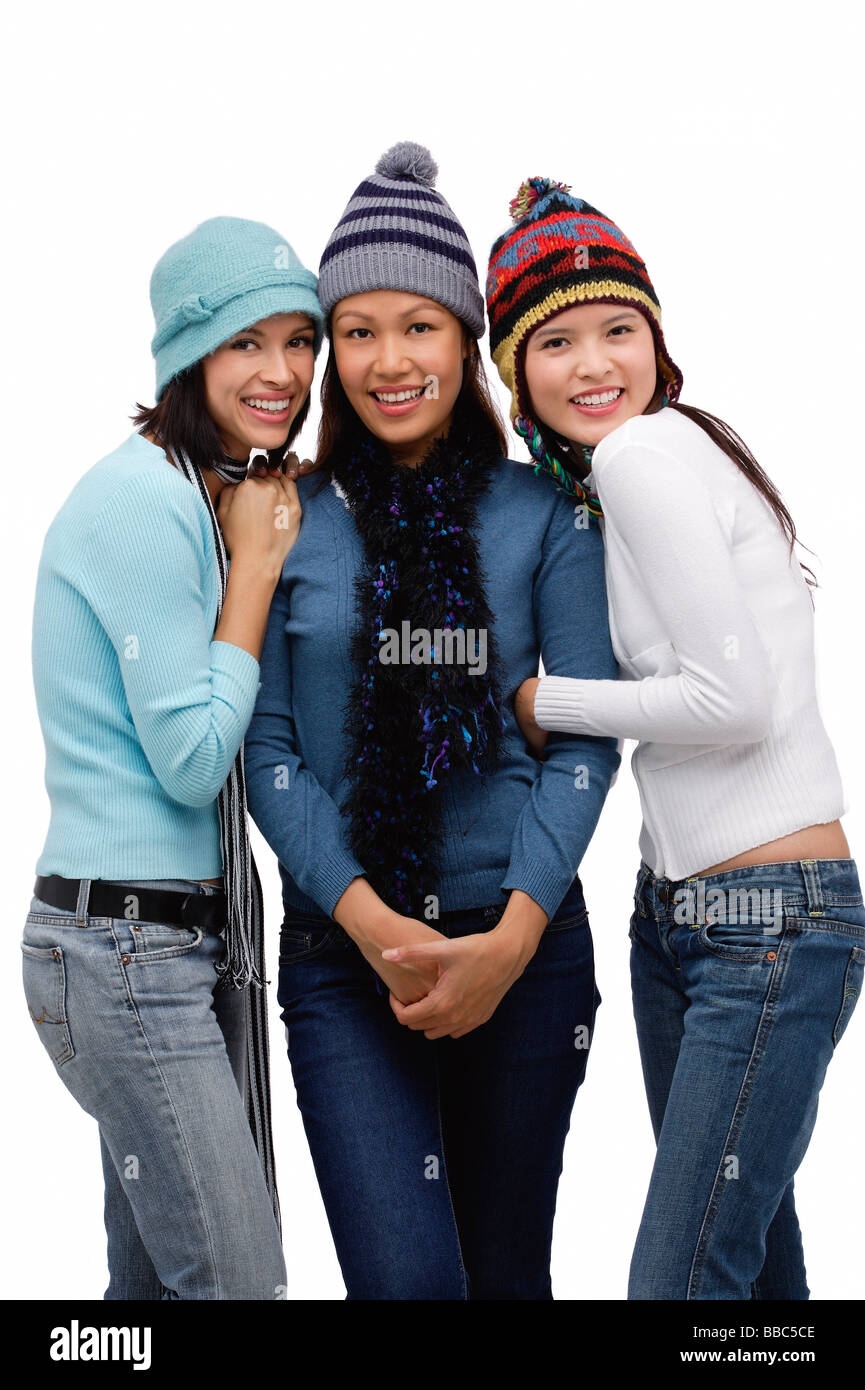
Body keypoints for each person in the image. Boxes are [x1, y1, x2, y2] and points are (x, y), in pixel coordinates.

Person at [243, 143, 621, 1300]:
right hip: (343, 958)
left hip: (526, 946)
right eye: (356, 330)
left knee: (508, 1282)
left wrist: (508, 940)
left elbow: (586, 738)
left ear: (466, 343)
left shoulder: (541, 513)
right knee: (408, 1285)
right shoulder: (281, 514)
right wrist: (366, 924)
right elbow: (267, 753)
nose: (389, 360)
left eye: (421, 326)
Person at [488, 176, 863, 1299]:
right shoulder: (651, 465)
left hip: (763, 921)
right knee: (747, 1289)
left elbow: (732, 701)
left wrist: (541, 703)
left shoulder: (644, 455)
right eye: (555, 340)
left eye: (620, 327)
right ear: (514, 371)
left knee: (684, 1285)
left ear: (656, 338)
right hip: (694, 917)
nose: (595, 361)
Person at [23, 215, 323, 1298]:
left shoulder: (197, 488)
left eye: (300, 342)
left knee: (146, 1303)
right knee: (240, 1285)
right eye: (248, 342)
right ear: (188, 357)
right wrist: (253, 568)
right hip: (123, 955)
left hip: (157, 947)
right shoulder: (148, 501)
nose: (281, 371)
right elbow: (194, 763)